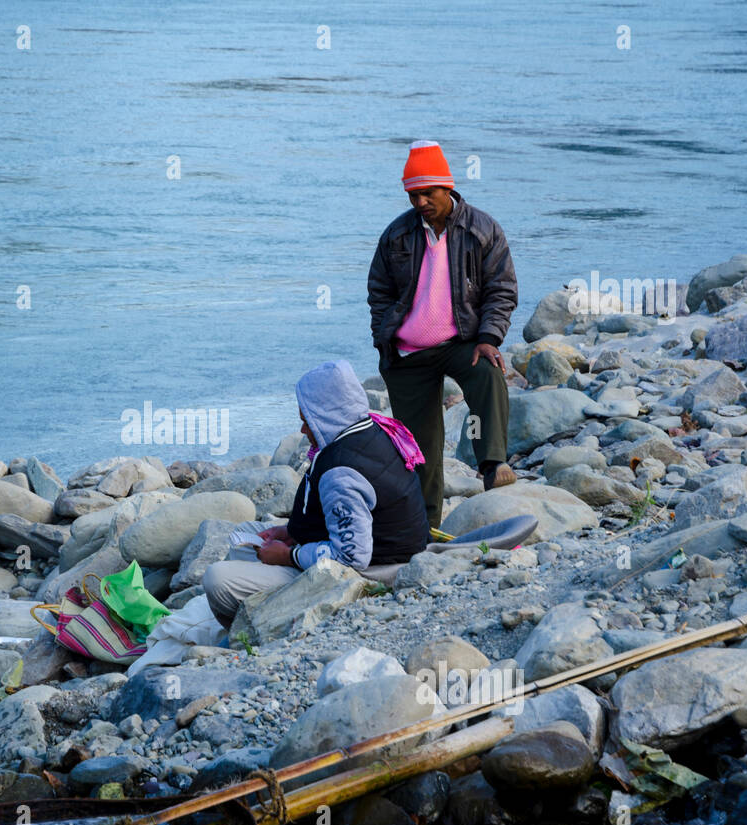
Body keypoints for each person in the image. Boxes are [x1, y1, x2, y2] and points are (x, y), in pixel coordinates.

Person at [202, 360, 429, 628]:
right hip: (379, 547)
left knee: (216, 578)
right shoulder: (372, 429)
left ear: (327, 415)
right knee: (244, 534)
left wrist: (289, 556)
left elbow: (351, 557)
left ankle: (250, 631)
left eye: (306, 420)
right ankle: (261, 602)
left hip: (368, 572)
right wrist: (291, 533)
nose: (303, 430)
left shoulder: (342, 471)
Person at [368, 139, 519, 529]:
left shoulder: (481, 229)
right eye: (412, 195)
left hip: (462, 341)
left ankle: (492, 463)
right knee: (420, 448)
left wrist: (489, 337)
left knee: (487, 373)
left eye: (426, 193)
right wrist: (382, 339)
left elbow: (502, 289)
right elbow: (379, 291)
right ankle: (426, 525)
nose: (419, 202)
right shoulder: (396, 235)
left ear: (446, 187)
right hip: (407, 353)